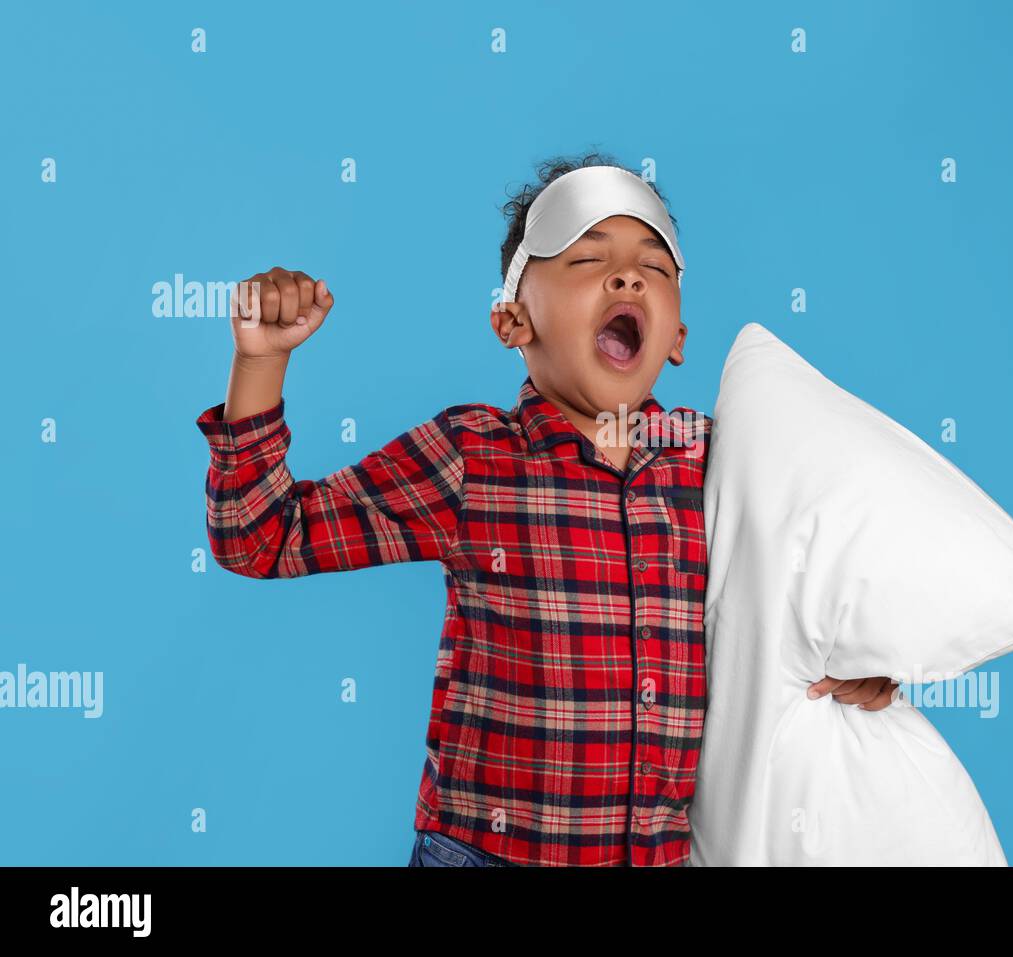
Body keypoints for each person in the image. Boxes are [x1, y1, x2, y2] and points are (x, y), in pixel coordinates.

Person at [194, 151, 897, 866]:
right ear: (512, 321)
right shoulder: (473, 456)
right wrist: (260, 363)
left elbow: (796, 595)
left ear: (678, 338)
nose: (627, 277)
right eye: (588, 259)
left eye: (653, 267)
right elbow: (260, 538)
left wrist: (857, 657)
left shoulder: (719, 461)